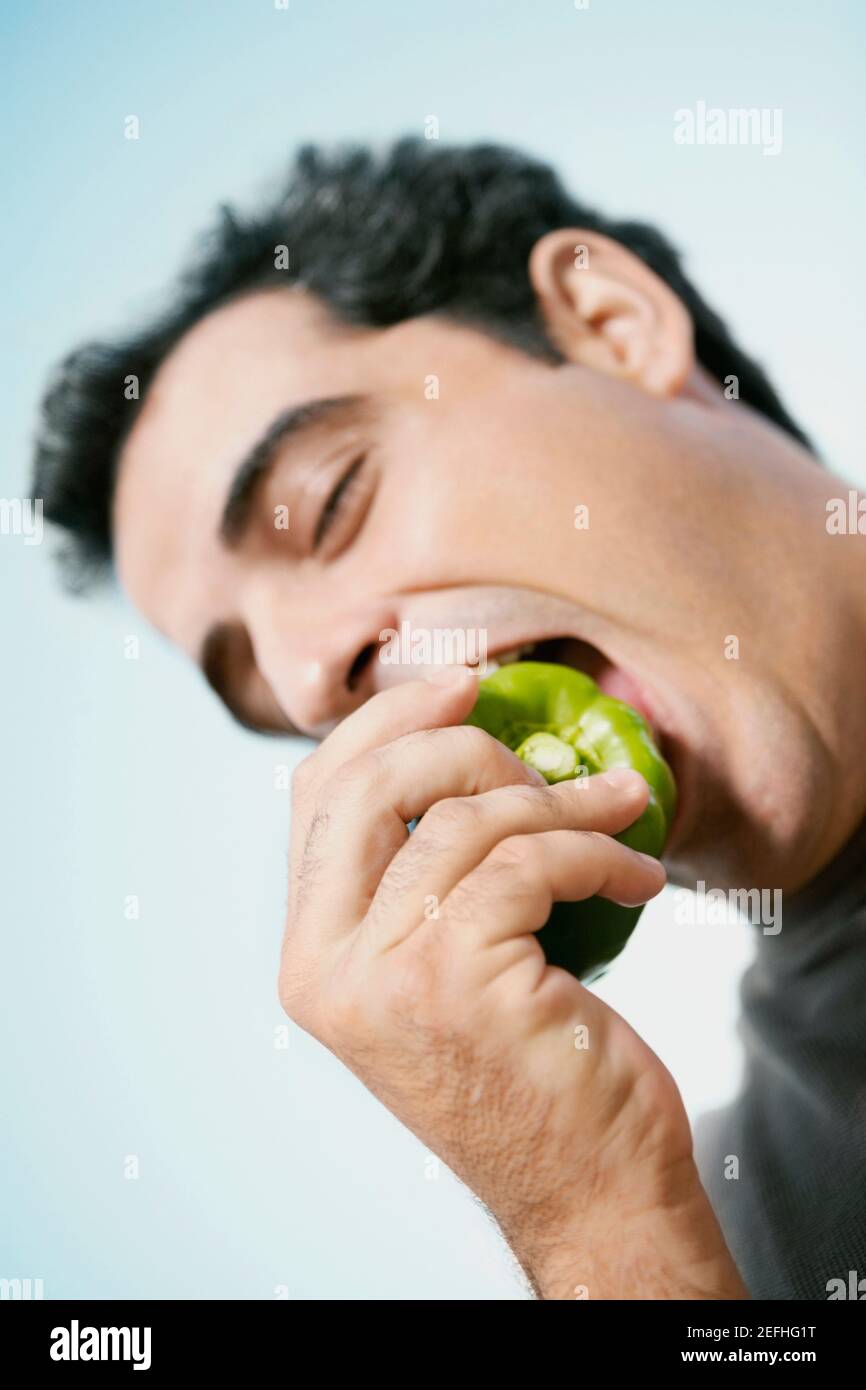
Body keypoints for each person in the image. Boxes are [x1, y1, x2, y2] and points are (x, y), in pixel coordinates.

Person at [32, 140, 866, 1299]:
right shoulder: (727, 1244)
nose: (310, 677)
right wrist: (598, 1228)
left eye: (329, 500)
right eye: (261, 691)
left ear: (611, 325)